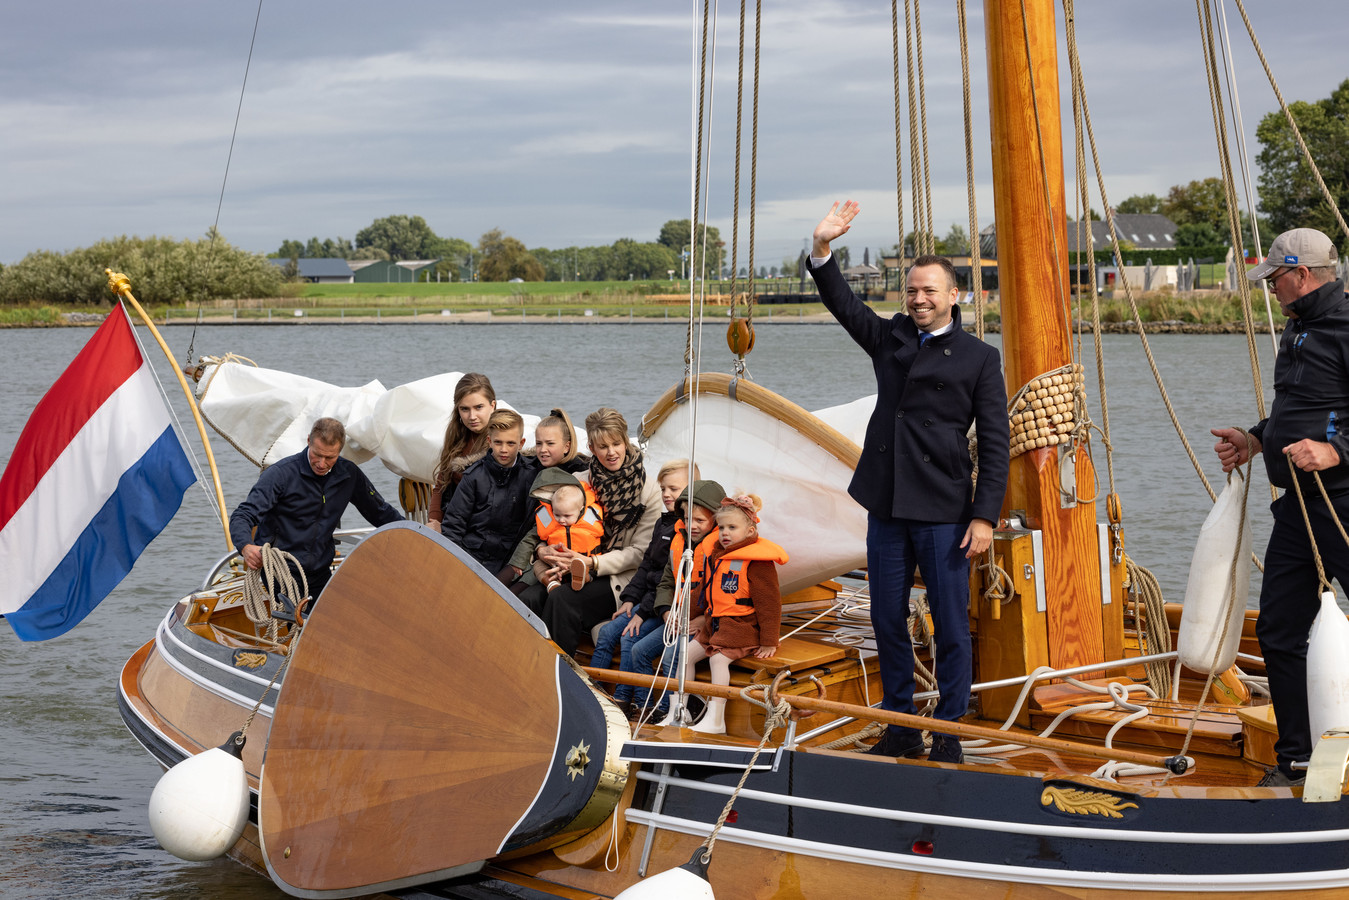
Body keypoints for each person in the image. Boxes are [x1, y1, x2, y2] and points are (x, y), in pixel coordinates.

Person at [809, 200, 1010, 764]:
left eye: (930, 291)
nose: (919, 299)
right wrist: (823, 249)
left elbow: (996, 443)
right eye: (912, 291)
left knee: (949, 624)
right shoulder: (891, 338)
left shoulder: (979, 358)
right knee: (886, 618)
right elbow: (845, 306)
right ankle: (899, 725)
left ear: (955, 296)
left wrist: (984, 515)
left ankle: (948, 732)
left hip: (946, 509)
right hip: (887, 504)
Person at [1211, 227, 1349, 787]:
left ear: (1301, 274)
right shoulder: (1299, 329)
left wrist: (1337, 450)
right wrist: (1257, 437)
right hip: (1297, 507)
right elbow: (1302, 409)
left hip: (1342, 502)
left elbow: (1332, 426)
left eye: (1274, 278)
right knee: (1278, 630)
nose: (1269, 288)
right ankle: (1297, 761)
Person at [229, 417, 403, 600]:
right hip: (281, 571)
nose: (321, 463)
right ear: (308, 442)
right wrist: (246, 546)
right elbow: (243, 515)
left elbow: (380, 512)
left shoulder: (348, 475)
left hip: (320, 571)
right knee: (300, 625)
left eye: (330, 457)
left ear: (340, 450)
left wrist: (417, 534)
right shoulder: (280, 474)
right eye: (317, 454)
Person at [537, 408, 663, 657]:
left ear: (626, 442)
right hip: (571, 564)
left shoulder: (649, 490)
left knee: (563, 599)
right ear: (591, 448)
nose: (611, 452)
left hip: (620, 577)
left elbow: (640, 553)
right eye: (603, 446)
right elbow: (551, 528)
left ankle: (563, 671)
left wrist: (591, 562)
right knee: (531, 596)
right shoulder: (578, 481)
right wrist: (544, 550)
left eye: (616, 443)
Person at [677, 493, 788, 734]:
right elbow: (704, 590)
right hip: (715, 624)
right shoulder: (718, 555)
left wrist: (770, 641)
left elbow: (770, 604)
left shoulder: (758, 563)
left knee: (718, 659)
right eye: (722, 527)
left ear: (750, 531)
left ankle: (716, 718)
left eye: (732, 528)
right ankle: (680, 711)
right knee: (685, 654)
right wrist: (686, 615)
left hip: (741, 627)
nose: (725, 533)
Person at [590, 459, 695, 711]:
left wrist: (643, 612)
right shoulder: (663, 523)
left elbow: (665, 581)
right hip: (645, 600)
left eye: (674, 489)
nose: (666, 494)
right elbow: (646, 566)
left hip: (659, 606)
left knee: (629, 637)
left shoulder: (688, 531)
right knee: (606, 633)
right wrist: (629, 599)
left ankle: (629, 699)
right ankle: (594, 688)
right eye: (663, 489)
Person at [636, 479, 727, 721]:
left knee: (670, 658)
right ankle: (647, 709)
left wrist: (702, 620)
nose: (692, 525)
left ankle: (673, 712)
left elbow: (723, 595)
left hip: (701, 622)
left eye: (699, 520)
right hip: (676, 618)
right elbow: (666, 581)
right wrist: (666, 611)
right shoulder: (681, 543)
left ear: (715, 520)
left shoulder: (720, 549)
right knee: (639, 651)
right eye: (687, 519)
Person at [442, 409, 539, 574]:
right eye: (498, 442)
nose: (503, 449)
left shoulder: (531, 476)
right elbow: (453, 525)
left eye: (510, 443)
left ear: (521, 443)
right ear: (489, 441)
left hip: (510, 561)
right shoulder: (473, 477)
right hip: (472, 556)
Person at [428, 373, 497, 532]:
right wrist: (434, 522)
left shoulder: (500, 439)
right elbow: (441, 484)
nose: (472, 417)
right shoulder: (456, 436)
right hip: (451, 523)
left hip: (477, 530)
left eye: (478, 407)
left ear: (492, 405)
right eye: (464, 409)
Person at [530, 483, 604, 592]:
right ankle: (551, 584)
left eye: (567, 516)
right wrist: (542, 551)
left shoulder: (591, 519)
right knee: (538, 565)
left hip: (580, 562)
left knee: (584, 568)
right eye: (557, 515)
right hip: (555, 564)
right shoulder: (551, 523)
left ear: (580, 509)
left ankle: (584, 578)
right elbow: (541, 540)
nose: (561, 520)